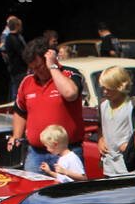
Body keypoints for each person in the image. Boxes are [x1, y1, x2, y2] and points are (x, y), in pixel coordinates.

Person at [8, 36, 84, 175]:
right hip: (36, 153)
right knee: (32, 192)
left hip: (66, 153)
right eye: (32, 69)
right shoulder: (27, 82)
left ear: (47, 59)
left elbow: (70, 93)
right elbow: (20, 110)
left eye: (39, 67)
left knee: (65, 194)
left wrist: (52, 67)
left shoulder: (70, 74)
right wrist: (16, 136)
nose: (37, 72)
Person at [96, 65, 135, 176]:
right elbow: (101, 127)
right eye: (103, 88)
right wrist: (100, 139)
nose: (105, 92)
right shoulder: (103, 105)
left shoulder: (133, 106)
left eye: (108, 88)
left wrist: (130, 146)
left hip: (127, 167)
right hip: (109, 166)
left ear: (120, 86)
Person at [1, 16, 27, 96]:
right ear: (17, 26)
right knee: (20, 89)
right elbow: (21, 52)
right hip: (18, 69)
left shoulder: (14, 37)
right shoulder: (12, 38)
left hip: (17, 68)